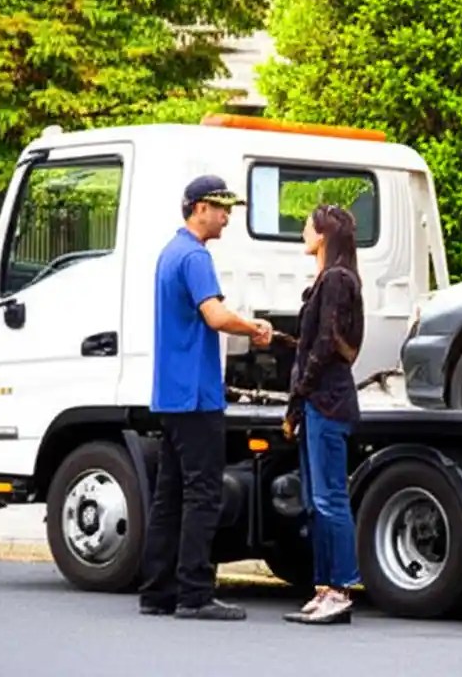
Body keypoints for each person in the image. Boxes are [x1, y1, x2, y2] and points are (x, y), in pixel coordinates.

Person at [139, 174, 272, 621]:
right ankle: (195, 593)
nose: (227, 217)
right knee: (203, 494)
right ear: (199, 208)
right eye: (221, 208)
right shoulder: (195, 257)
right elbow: (214, 316)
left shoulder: (168, 253)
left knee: (168, 495)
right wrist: (254, 329)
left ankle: (157, 591)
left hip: (170, 396)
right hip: (197, 397)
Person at [282, 204, 366, 625]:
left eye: (307, 225)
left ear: (323, 234)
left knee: (330, 498)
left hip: (326, 401)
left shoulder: (335, 279)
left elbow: (324, 346)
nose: (302, 231)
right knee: (318, 501)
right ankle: (323, 587)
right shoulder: (332, 278)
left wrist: (298, 396)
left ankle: (341, 587)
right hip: (320, 401)